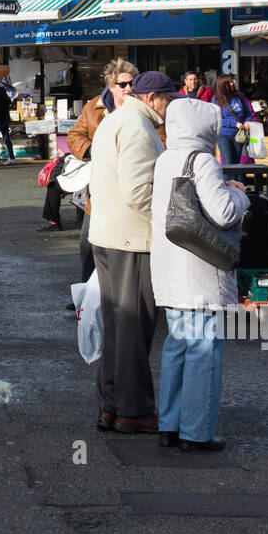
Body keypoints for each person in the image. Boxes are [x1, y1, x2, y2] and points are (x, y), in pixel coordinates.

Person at [151, 98, 249, 452]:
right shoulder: (204, 160)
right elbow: (222, 213)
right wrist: (241, 198)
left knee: (177, 346)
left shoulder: (165, 159)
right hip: (200, 271)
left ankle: (169, 425)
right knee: (204, 351)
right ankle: (196, 432)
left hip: (169, 268)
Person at [89, 70, 180, 434]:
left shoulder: (115, 120)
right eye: (167, 99)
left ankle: (111, 405)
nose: (169, 106)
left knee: (118, 326)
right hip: (132, 239)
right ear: (153, 98)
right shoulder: (139, 129)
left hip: (108, 235)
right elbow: (139, 192)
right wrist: (167, 221)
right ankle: (133, 410)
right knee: (134, 328)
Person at [43, 59, 139, 289]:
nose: (128, 88)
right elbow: (74, 136)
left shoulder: (141, 108)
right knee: (88, 244)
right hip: (98, 189)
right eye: (122, 84)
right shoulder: (94, 107)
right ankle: (87, 292)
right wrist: (94, 149)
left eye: (131, 83)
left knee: (125, 245)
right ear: (111, 85)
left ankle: (121, 293)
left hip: (130, 187)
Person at [213, 73, 254, 165]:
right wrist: (234, 123)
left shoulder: (239, 96)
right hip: (223, 134)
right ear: (223, 85)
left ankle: (234, 180)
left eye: (232, 82)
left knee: (236, 162)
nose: (232, 84)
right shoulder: (216, 100)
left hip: (239, 135)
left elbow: (248, 113)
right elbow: (216, 119)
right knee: (228, 162)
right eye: (229, 82)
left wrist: (247, 122)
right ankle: (227, 180)